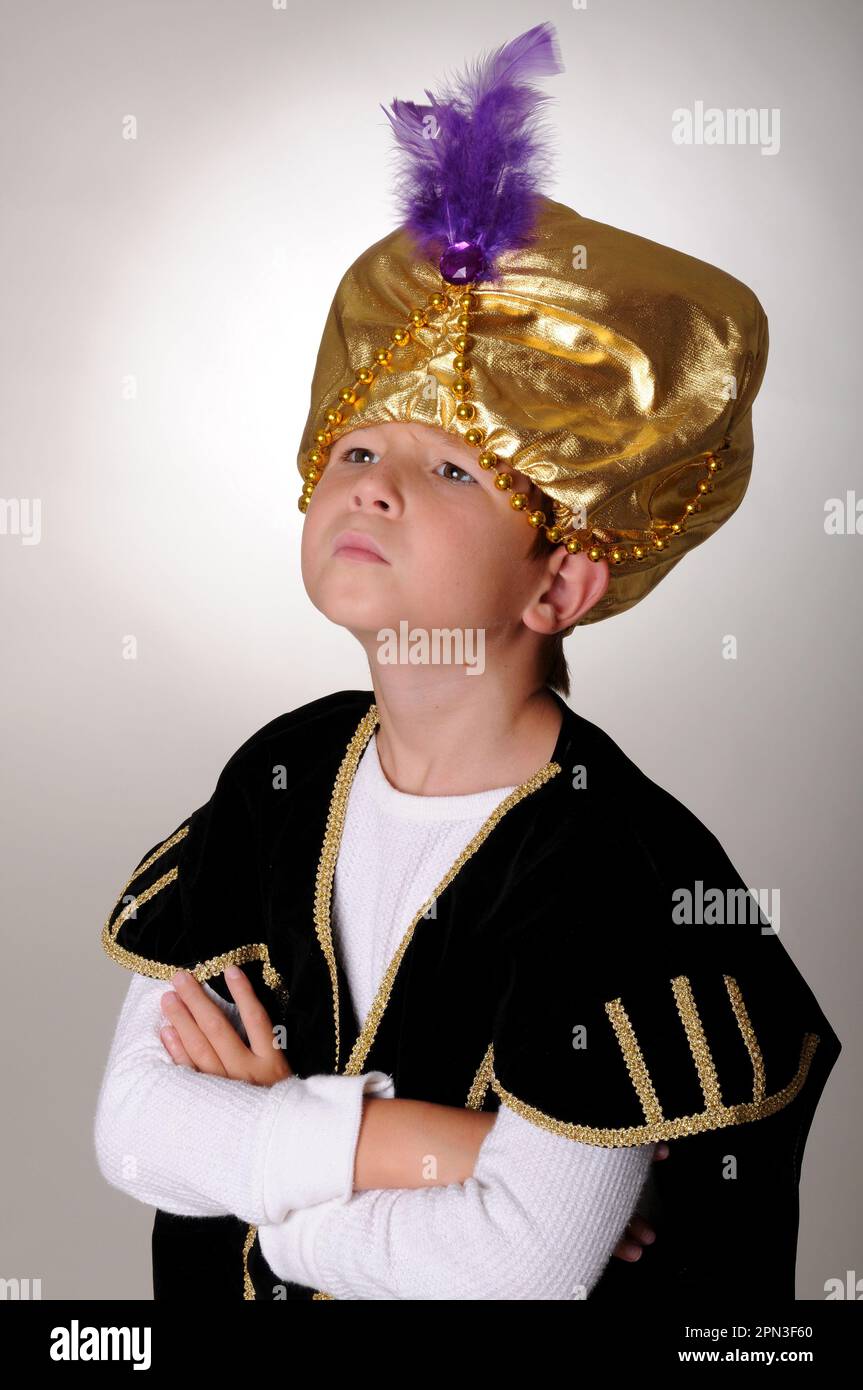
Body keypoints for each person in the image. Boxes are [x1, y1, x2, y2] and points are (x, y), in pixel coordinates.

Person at [95, 21, 840, 1301]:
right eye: (352, 451)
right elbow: (136, 1131)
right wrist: (430, 1146)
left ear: (559, 578)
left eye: (449, 469)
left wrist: (271, 1194)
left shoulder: (614, 869)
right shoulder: (278, 775)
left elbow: (524, 1261)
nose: (372, 486)